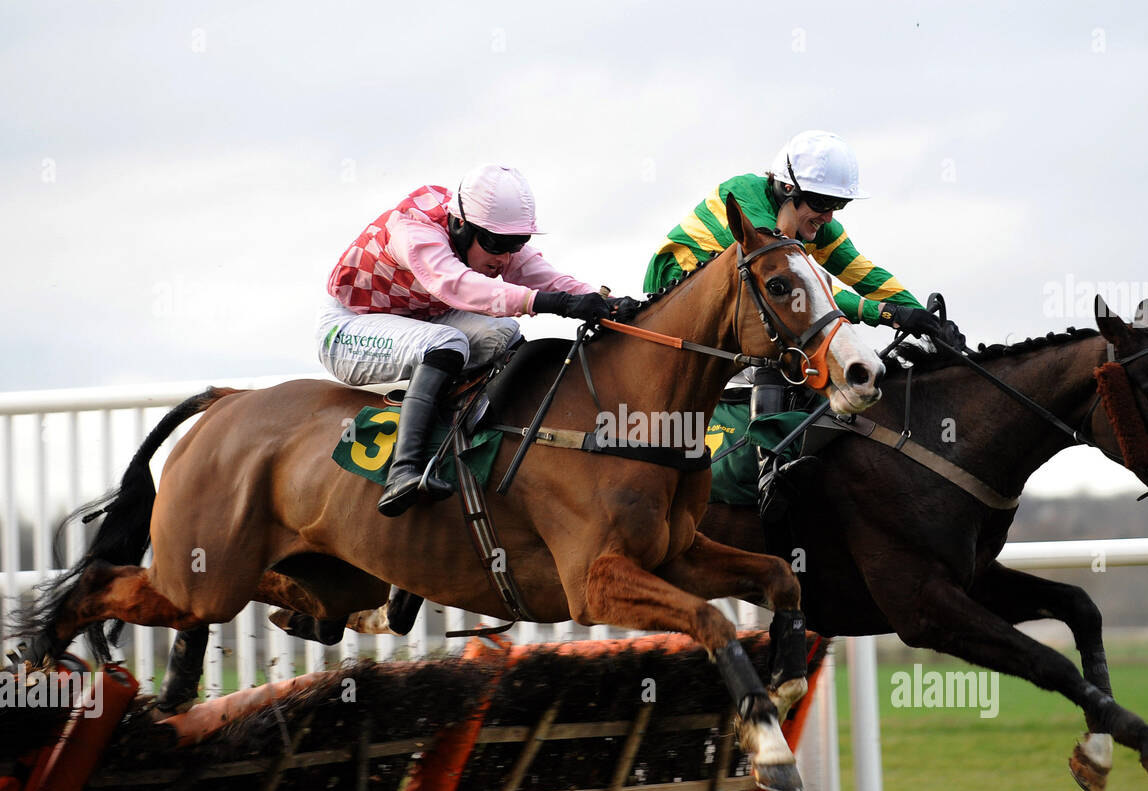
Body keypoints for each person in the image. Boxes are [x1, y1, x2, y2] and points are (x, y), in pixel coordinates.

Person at [643, 130, 945, 523]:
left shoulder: (815, 227)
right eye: (821, 203)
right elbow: (793, 292)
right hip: (680, 302)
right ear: (787, 189)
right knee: (783, 350)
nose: (828, 216)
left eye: (839, 204)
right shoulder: (744, 199)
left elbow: (865, 274)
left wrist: (921, 316)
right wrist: (883, 313)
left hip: (751, 304)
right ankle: (769, 469)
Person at [319, 164, 612, 517]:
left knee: (503, 331)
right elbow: (458, 285)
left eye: (515, 245)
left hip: (417, 319)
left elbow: (549, 279)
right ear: (460, 225)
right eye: (495, 244)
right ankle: (403, 471)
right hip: (348, 327)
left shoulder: (486, 236)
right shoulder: (415, 231)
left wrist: (610, 303)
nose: (504, 257)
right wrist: (558, 305)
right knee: (447, 342)